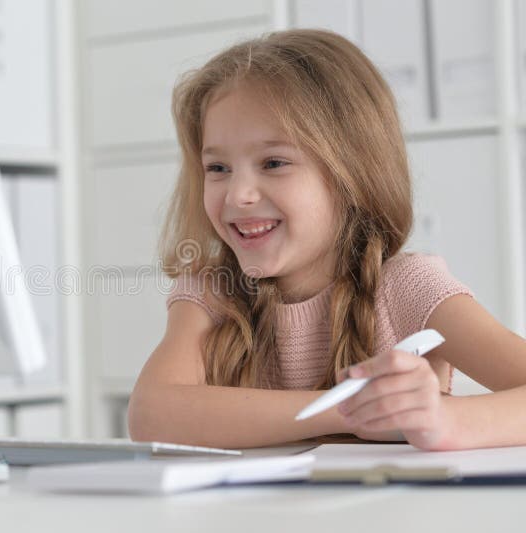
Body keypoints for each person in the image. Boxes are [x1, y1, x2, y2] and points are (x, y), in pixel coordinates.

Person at [127, 29, 526, 451]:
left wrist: (444, 419)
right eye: (218, 168)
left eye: (273, 163)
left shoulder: (407, 286)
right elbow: (151, 415)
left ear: (352, 173)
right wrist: (351, 408)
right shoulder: (212, 293)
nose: (237, 195)